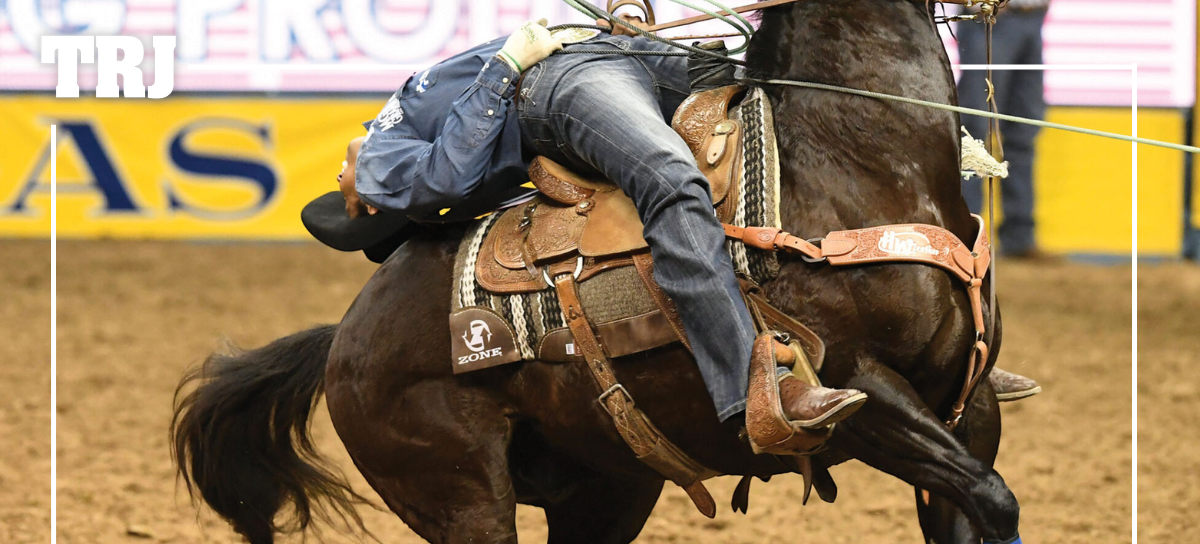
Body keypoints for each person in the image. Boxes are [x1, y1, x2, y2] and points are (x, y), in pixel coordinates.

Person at [339, 17, 866, 456]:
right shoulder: (379, 161)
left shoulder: (396, 117)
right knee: (671, 182)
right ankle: (757, 391)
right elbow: (447, 178)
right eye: (344, 191)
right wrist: (505, 66)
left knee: (796, 80)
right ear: (367, 204)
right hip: (559, 83)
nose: (337, 178)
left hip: (617, 55)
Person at [957, 0, 1052, 259]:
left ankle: (1019, 239)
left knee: (1023, 130)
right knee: (974, 130)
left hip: (1032, 16)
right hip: (989, 18)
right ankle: (967, 235)